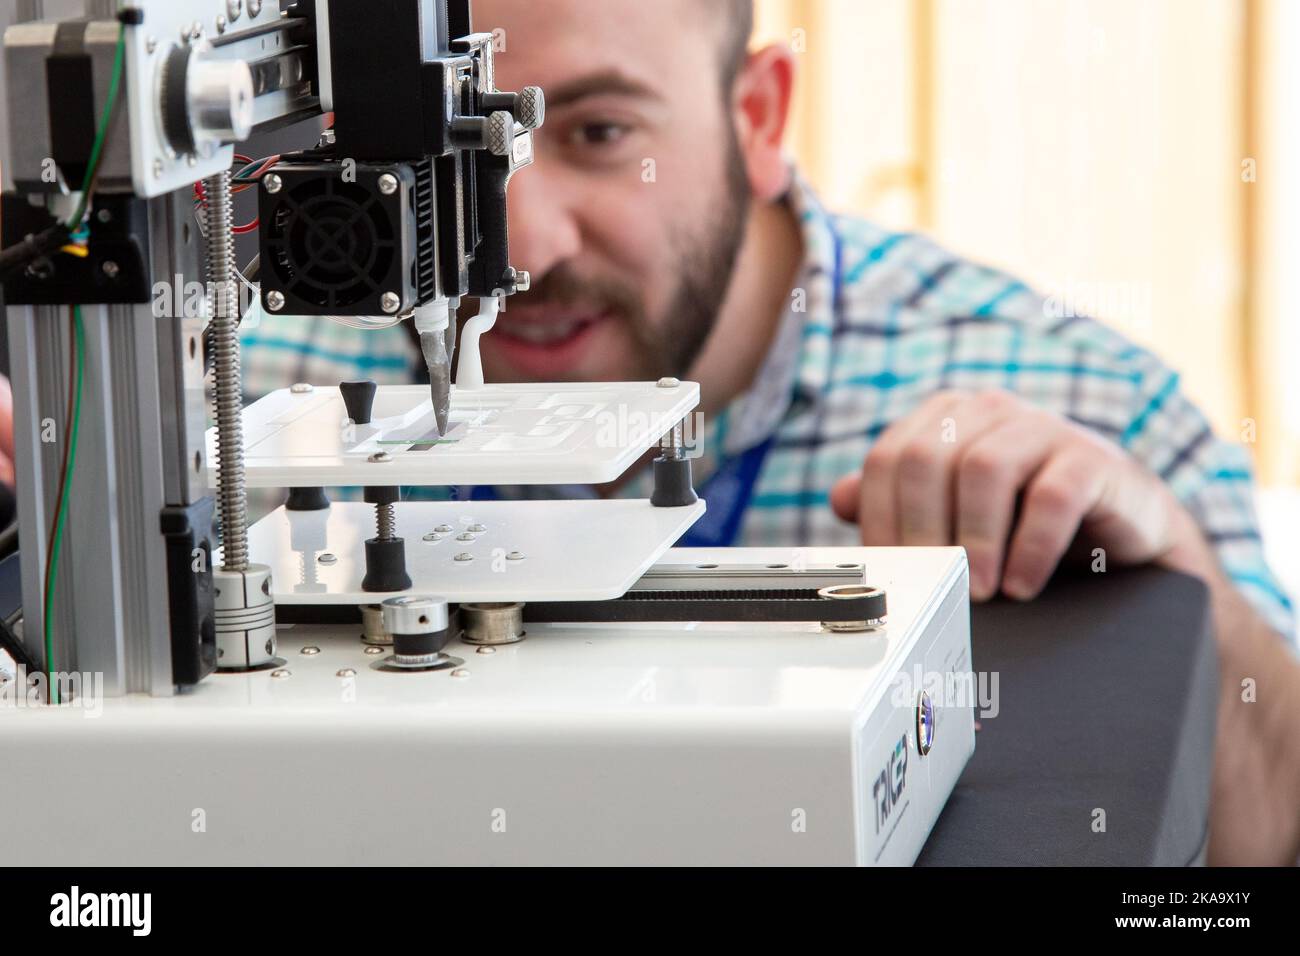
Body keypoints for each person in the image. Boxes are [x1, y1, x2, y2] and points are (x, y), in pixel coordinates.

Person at [4, 0, 1299, 863]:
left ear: (759, 116)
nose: (521, 241)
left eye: (597, 132)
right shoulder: (235, 377)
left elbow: (1273, 832)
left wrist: (1173, 587)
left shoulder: (1079, 395)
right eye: (435, 166)